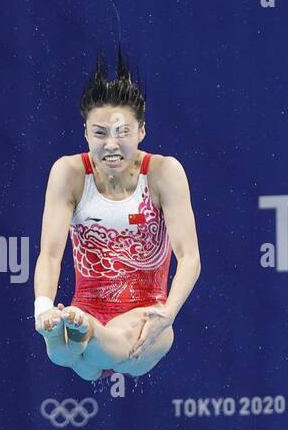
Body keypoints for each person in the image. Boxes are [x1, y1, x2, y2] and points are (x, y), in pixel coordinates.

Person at [33, 50, 200, 380]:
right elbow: (50, 255)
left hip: (146, 313)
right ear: (85, 134)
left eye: (122, 132)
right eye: (100, 133)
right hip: (85, 306)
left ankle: (79, 333)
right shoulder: (69, 173)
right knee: (76, 359)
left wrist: (167, 314)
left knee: (117, 354)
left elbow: (190, 257)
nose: (111, 144)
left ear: (141, 131)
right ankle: (68, 332)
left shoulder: (164, 173)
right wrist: (43, 308)